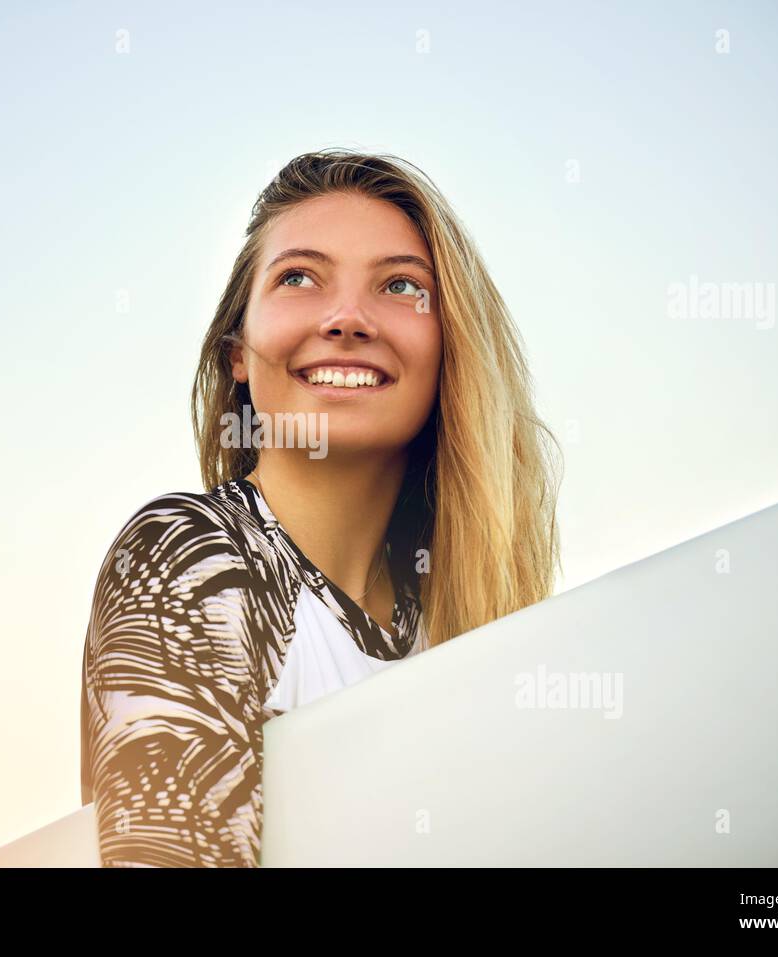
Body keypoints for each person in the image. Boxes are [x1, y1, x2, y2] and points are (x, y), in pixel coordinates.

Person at [79, 148, 561, 866]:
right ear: (236, 353)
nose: (346, 317)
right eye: (298, 277)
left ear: (451, 345)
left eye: (400, 285)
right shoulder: (193, 556)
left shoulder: (469, 618)